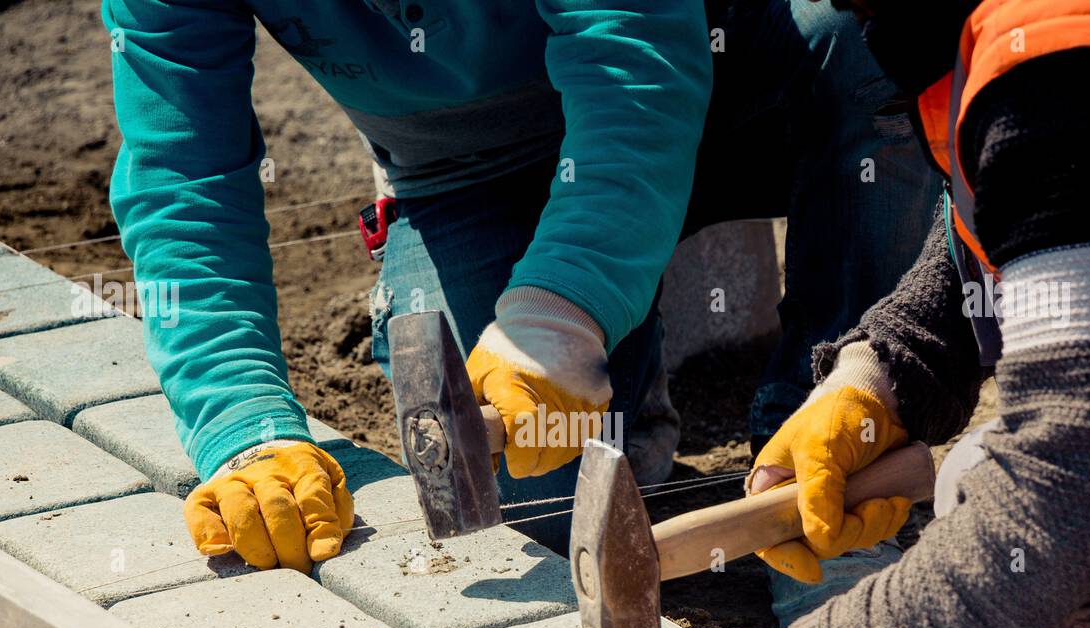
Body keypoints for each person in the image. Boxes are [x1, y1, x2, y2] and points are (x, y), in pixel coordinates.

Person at [559, 0, 1090, 628]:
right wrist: (880, 377)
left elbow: (1080, 480)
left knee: (1005, 500)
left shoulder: (1075, 54)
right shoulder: (987, 28)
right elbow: (1014, 217)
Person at [103, 0, 936, 575]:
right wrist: (243, 422)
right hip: (471, 176)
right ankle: (620, 381)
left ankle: (822, 458)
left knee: (868, 50)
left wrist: (558, 312)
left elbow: (630, 56)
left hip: (721, 71)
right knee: (535, 516)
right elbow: (184, 173)